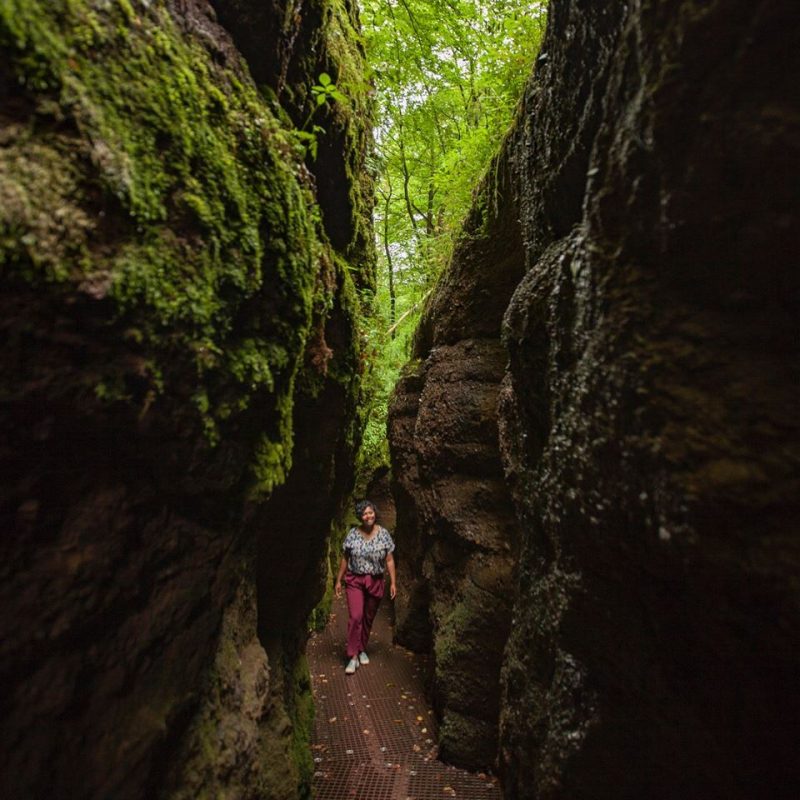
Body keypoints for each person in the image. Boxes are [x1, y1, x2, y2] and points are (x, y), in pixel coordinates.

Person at [334, 500, 396, 675]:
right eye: (364, 514)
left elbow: (389, 560)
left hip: (375, 580)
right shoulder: (352, 534)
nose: (368, 516)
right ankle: (353, 656)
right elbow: (345, 558)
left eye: (370, 512)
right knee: (356, 616)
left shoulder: (383, 534)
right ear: (360, 517)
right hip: (355, 580)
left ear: (374, 513)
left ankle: (361, 648)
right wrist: (339, 580)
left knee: (368, 618)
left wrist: (393, 582)